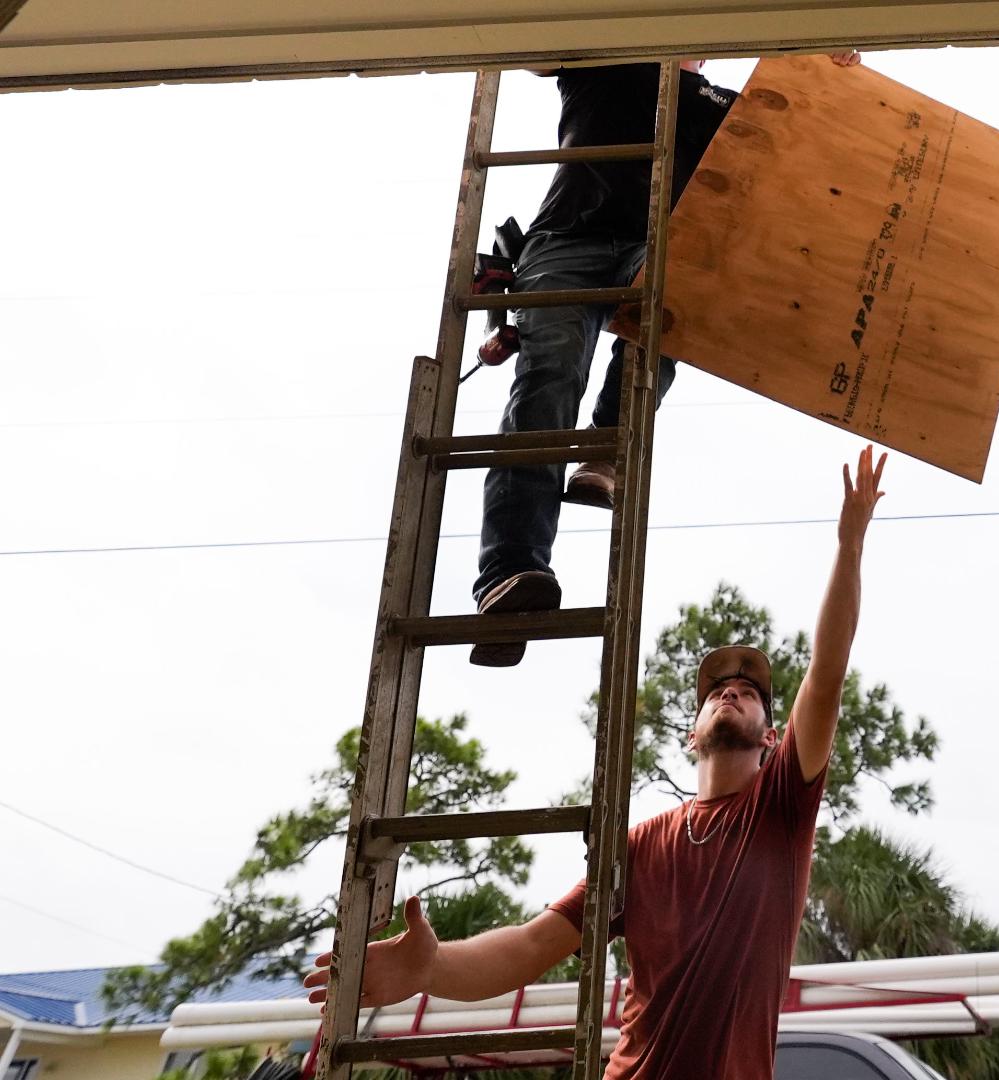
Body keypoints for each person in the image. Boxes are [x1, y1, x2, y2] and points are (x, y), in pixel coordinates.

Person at [309, 447, 891, 1080]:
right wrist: (430, 969)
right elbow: (534, 944)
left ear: (774, 739)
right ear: (690, 737)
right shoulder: (640, 848)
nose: (731, 688)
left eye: (749, 691)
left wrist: (850, 542)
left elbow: (827, 675)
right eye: (716, 689)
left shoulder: (780, 806)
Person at [472, 52, 861, 667]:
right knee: (548, 378)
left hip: (652, 251)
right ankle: (510, 574)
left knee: (682, 301)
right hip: (566, 242)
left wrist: (829, 69)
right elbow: (535, 44)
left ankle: (606, 446)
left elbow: (809, 140)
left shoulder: (716, 108)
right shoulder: (605, 60)